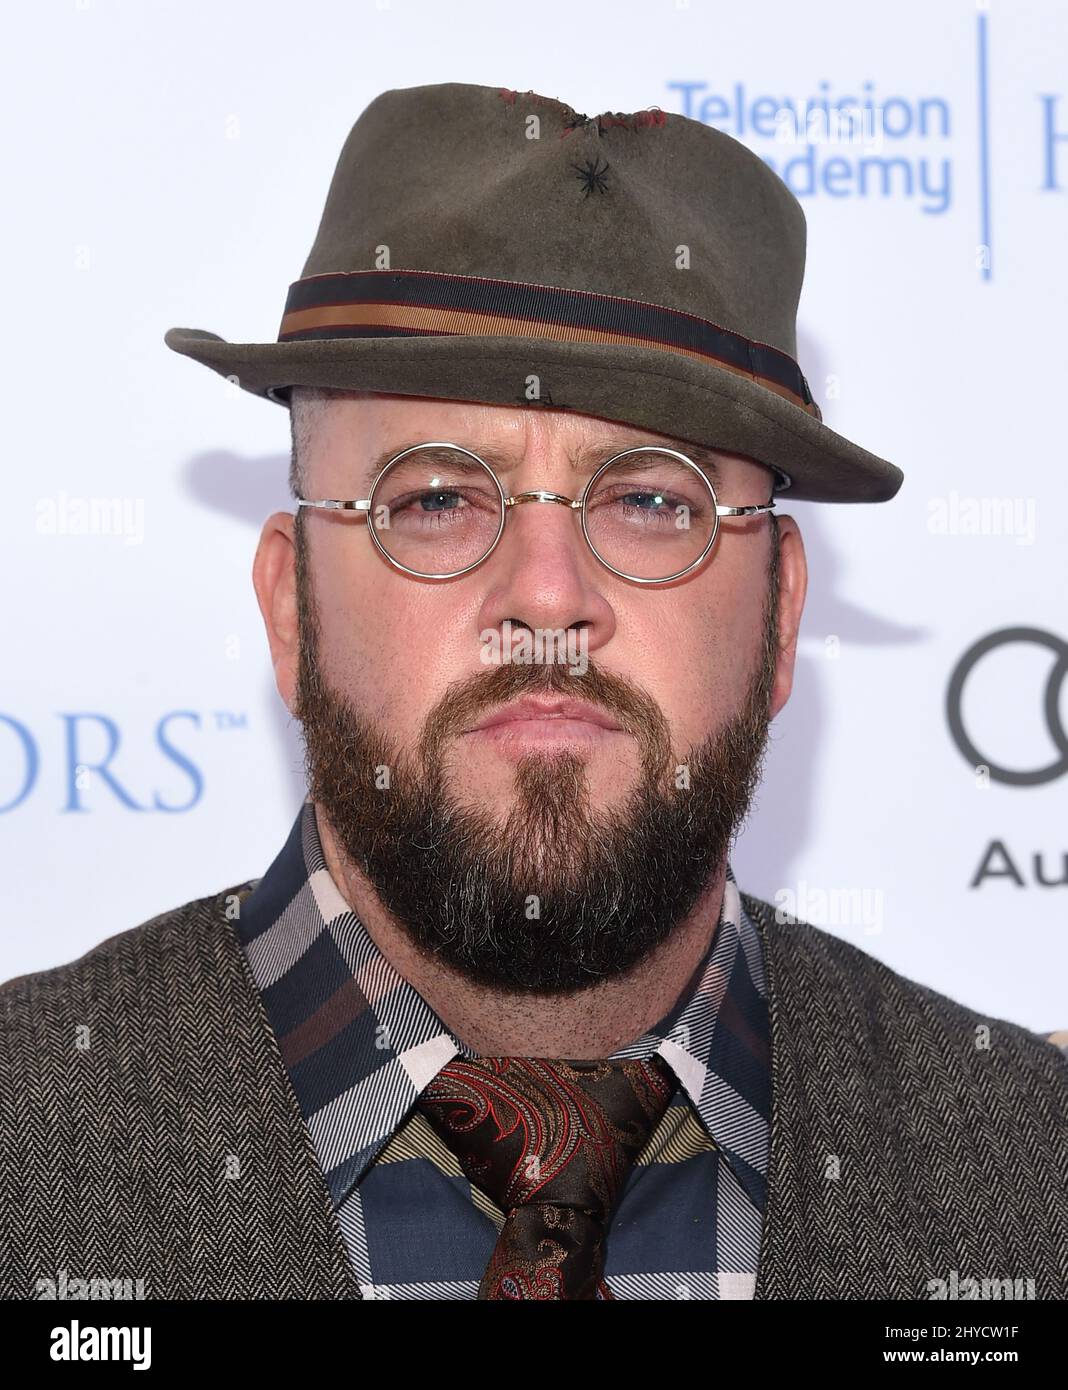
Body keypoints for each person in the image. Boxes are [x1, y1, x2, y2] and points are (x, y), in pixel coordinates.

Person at [2, 81, 1065, 1302]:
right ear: (291, 608)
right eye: (438, 497)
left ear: (780, 619)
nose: (548, 595)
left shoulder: (1038, 1186)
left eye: (654, 500)